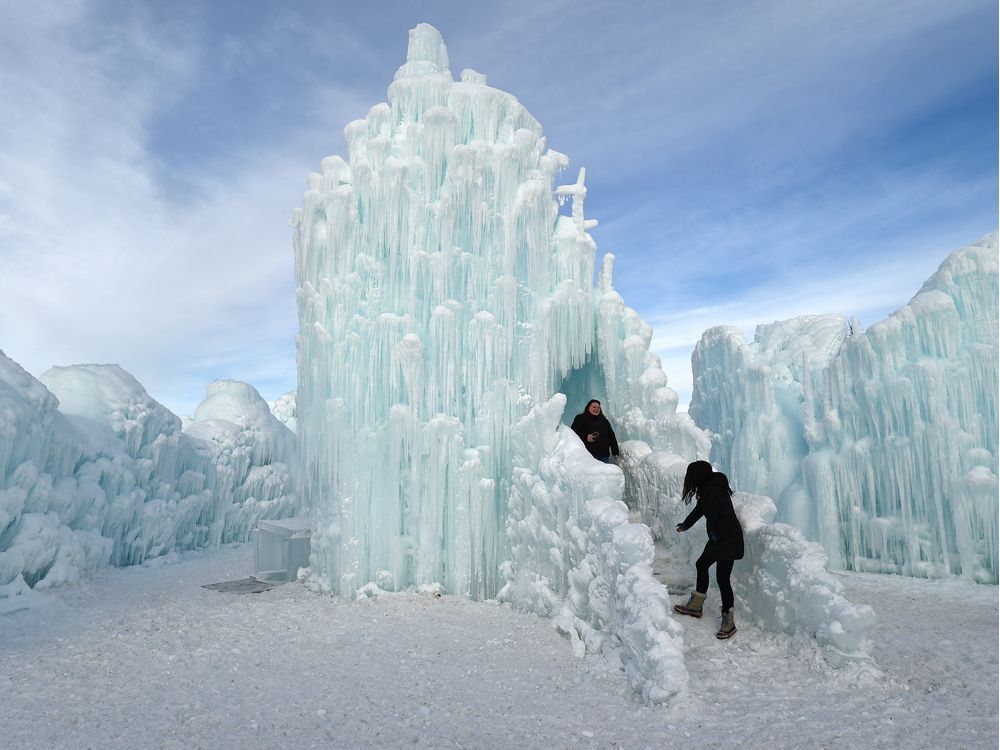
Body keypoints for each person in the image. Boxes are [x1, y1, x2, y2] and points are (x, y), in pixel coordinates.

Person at [672, 460, 744, 640]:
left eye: (691, 475)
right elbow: (699, 511)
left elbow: (727, 515)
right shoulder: (708, 490)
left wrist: (719, 538)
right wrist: (685, 525)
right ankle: (696, 605)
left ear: (698, 475)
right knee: (702, 564)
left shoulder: (715, 491)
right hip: (718, 539)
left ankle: (729, 622)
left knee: (722, 579)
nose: (688, 479)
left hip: (728, 540)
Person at [570, 399, 620, 463]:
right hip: (587, 455)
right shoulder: (580, 418)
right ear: (588, 408)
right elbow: (572, 433)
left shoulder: (604, 420)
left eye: (598, 407)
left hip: (603, 455)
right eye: (594, 407)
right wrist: (586, 437)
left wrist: (615, 452)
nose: (596, 409)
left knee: (604, 472)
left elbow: (611, 436)